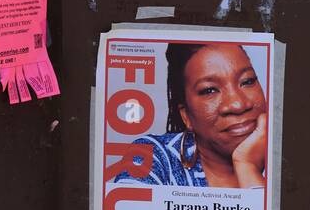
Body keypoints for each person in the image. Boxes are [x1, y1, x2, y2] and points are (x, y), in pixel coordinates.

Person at [114, 41, 267, 188]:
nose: (238, 104)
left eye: (247, 81)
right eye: (209, 90)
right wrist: (247, 166)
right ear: (185, 115)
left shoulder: (283, 158)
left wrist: (248, 169)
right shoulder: (152, 156)